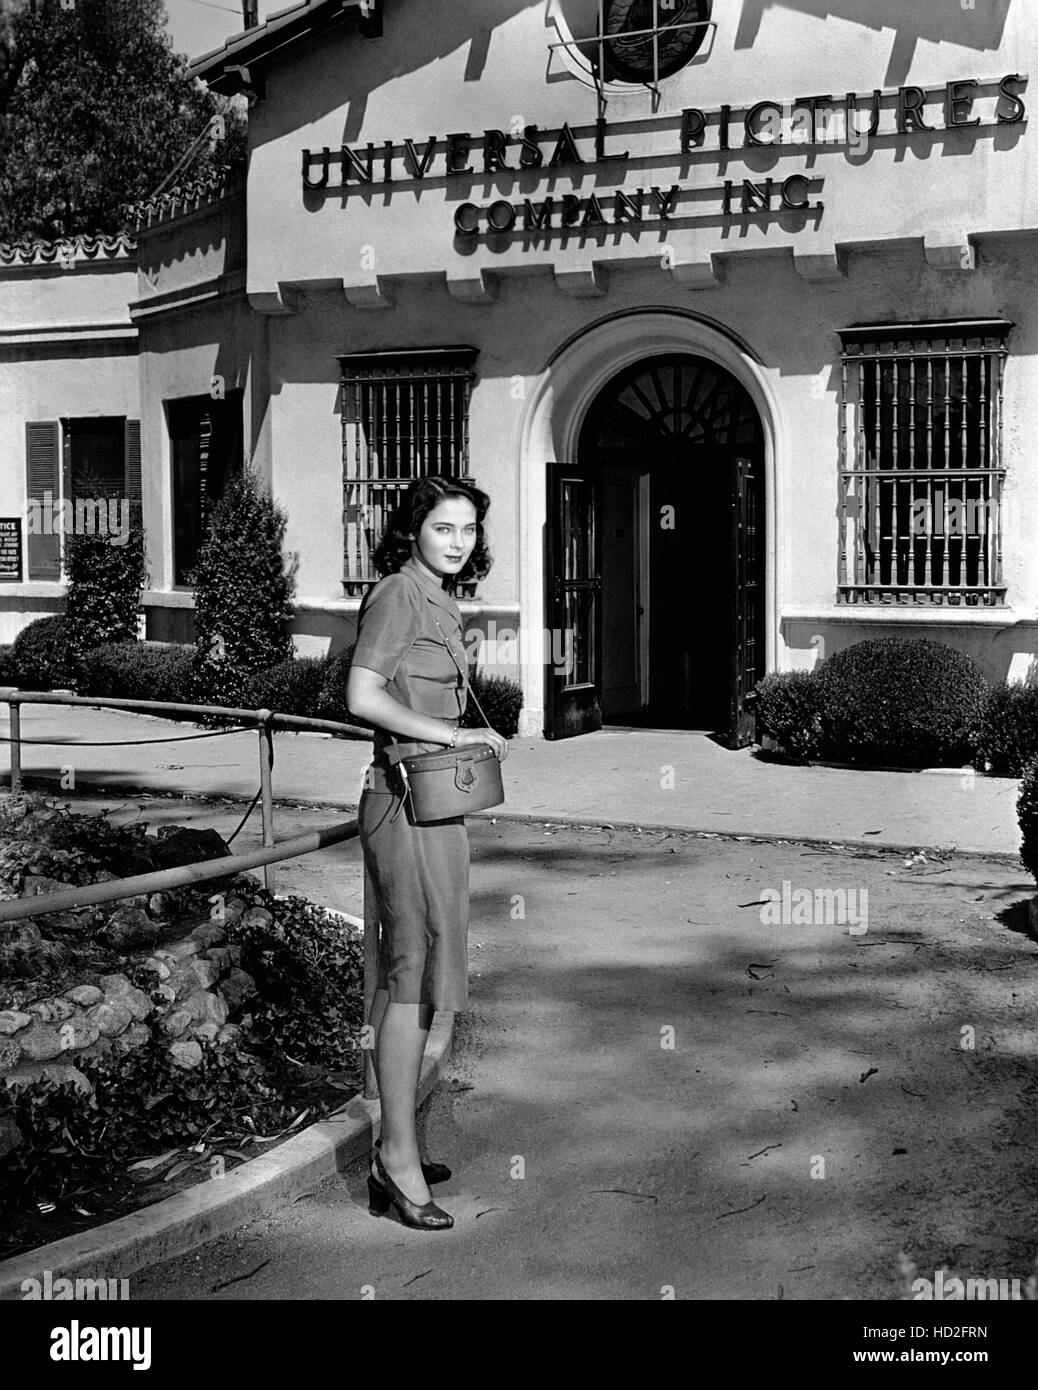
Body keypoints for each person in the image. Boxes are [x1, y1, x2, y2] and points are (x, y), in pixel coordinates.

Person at [346, 475, 509, 1231]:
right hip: (403, 801)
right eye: (444, 528)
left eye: (469, 529)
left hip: (437, 803)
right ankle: (398, 1161)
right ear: (413, 529)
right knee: (411, 970)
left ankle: (395, 1140)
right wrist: (453, 737)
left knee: (424, 964)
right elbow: (362, 696)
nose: (458, 541)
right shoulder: (397, 596)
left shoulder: (439, 599)